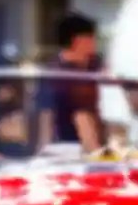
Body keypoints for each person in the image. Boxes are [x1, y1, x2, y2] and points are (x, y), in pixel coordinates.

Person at [38, 12, 105, 152]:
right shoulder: (56, 73)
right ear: (77, 41)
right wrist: (44, 149)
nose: (94, 43)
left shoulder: (96, 65)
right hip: (67, 147)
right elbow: (46, 114)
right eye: (91, 38)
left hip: (100, 142)